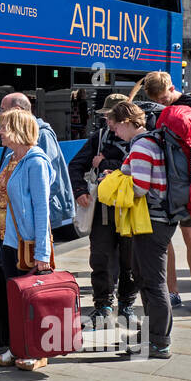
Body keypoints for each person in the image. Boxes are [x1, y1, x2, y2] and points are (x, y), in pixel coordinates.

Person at [130, 71, 191, 316]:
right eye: (156, 98)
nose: (162, 101)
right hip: (164, 187)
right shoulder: (157, 109)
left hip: (188, 187)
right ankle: (173, 291)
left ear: (171, 87)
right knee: (165, 242)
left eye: (163, 96)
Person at [103, 101, 177, 358]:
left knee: (154, 282)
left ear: (126, 122)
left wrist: (113, 185)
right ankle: (152, 335)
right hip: (151, 220)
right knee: (144, 277)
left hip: (152, 221)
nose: (114, 132)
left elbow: (141, 187)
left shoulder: (143, 145)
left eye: (115, 126)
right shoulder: (147, 143)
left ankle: (160, 341)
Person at [0, 108, 56, 371]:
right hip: (10, 242)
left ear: (17, 130)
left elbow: (42, 209)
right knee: (14, 300)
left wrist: (42, 252)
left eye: (4, 127)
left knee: (33, 301)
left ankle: (37, 352)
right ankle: (16, 347)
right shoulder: (12, 158)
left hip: (28, 244)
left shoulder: (36, 162)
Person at [67, 92, 136, 326]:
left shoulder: (140, 140)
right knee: (100, 259)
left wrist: (104, 163)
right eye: (105, 117)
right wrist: (79, 192)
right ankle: (103, 304)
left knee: (130, 259)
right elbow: (75, 165)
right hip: (103, 211)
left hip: (130, 209)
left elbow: (135, 168)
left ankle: (127, 303)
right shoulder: (99, 137)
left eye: (110, 116)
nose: (106, 121)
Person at [0, 91, 73, 239]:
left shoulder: (42, 135)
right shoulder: (12, 145)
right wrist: (1, 191)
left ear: (17, 110)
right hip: (13, 227)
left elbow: (49, 185)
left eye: (2, 109)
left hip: (25, 228)